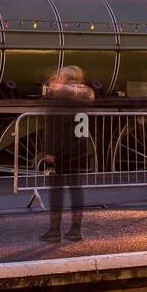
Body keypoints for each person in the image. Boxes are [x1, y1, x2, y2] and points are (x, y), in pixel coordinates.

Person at [40, 66, 94, 242]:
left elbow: (54, 127)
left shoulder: (59, 98)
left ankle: (55, 230)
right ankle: (76, 229)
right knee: (76, 189)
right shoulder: (85, 95)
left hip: (62, 152)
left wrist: (50, 152)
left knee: (56, 191)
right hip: (81, 149)